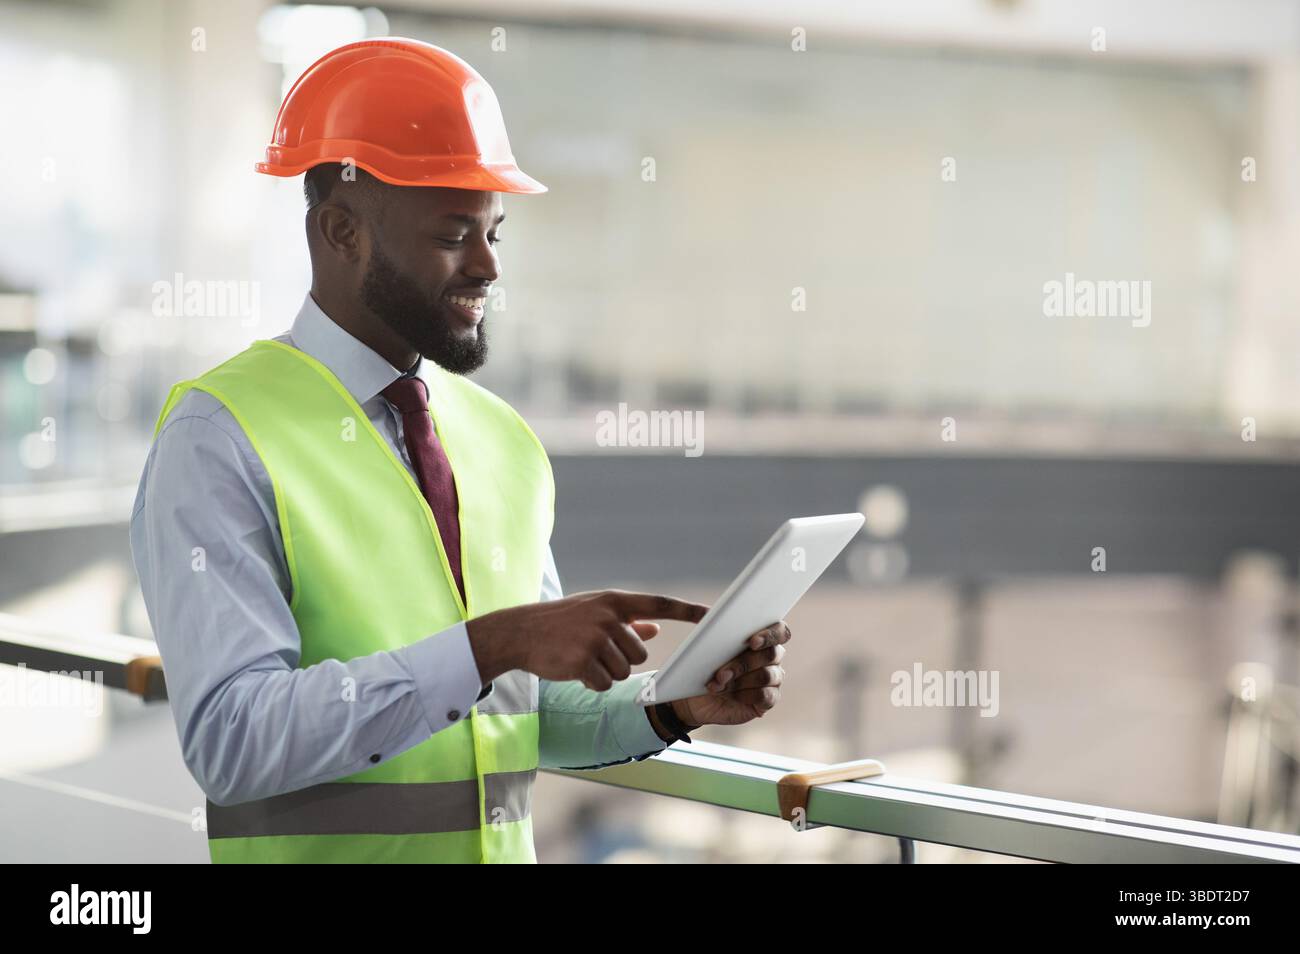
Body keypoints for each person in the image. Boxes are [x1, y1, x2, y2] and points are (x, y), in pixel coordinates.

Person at [130, 37, 789, 863]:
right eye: (453, 235)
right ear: (341, 232)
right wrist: (491, 643)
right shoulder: (219, 435)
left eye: (494, 235)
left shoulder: (501, 441)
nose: (486, 267)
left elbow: (522, 718)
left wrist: (675, 704)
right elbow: (233, 741)